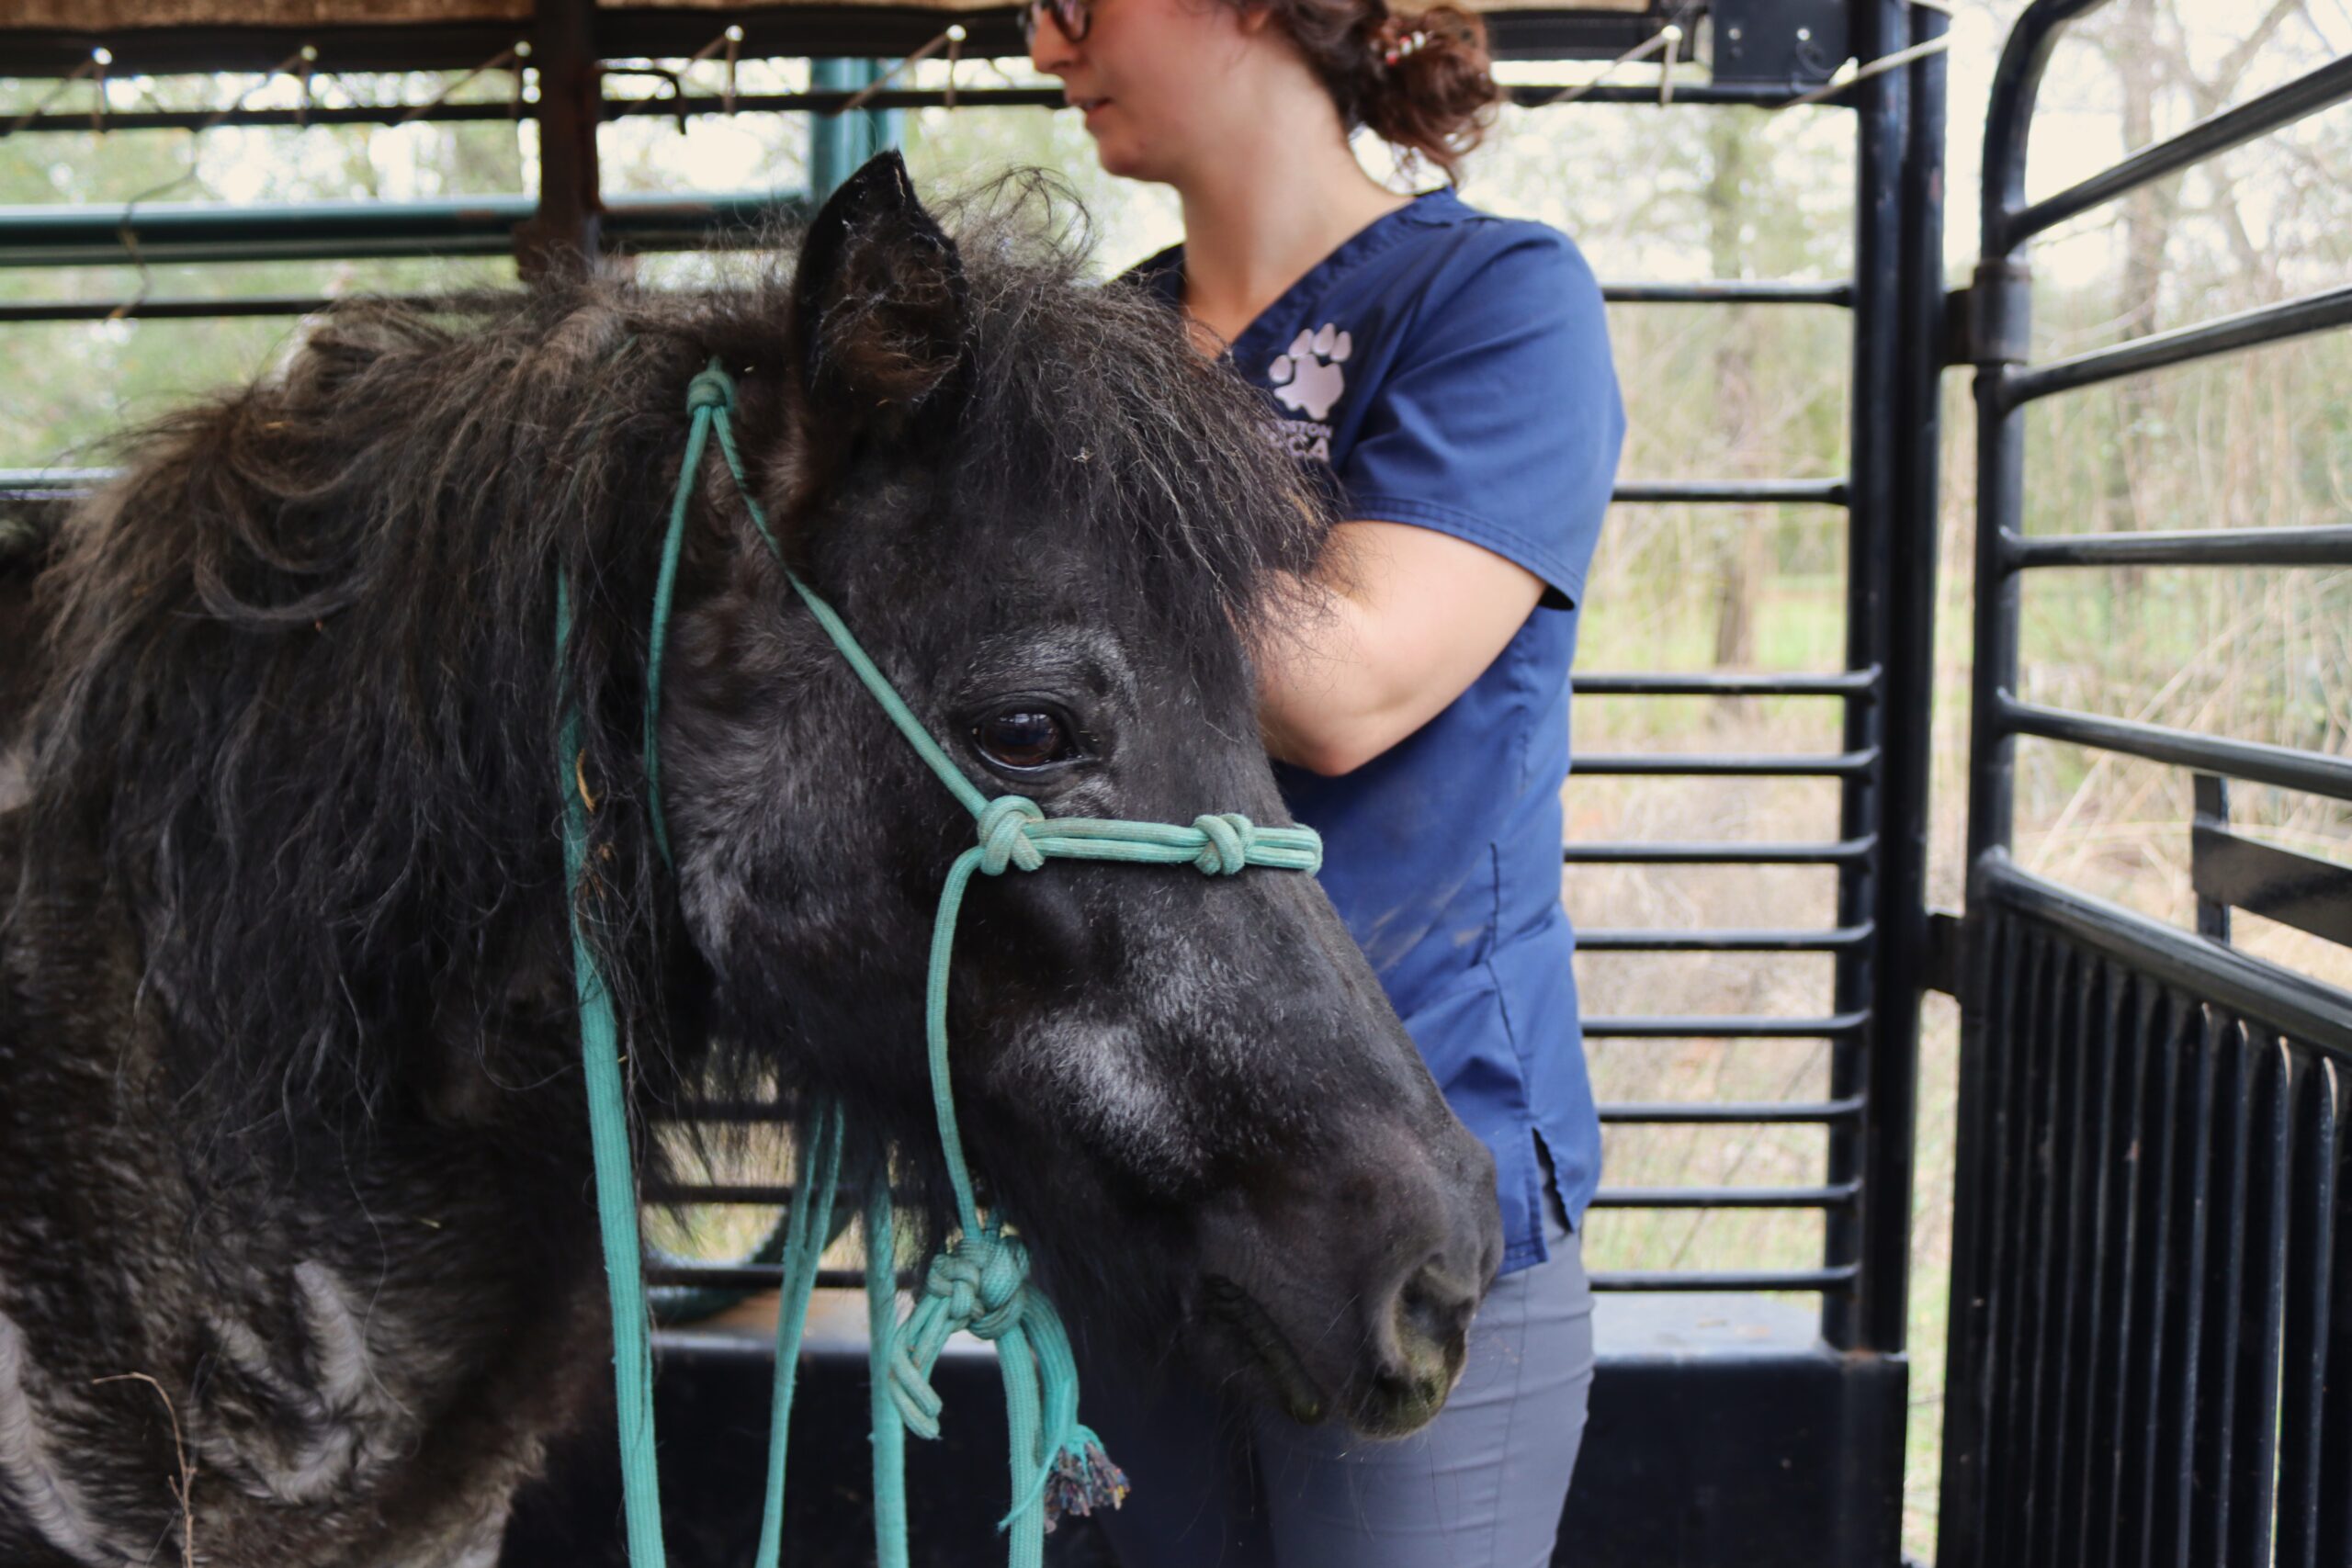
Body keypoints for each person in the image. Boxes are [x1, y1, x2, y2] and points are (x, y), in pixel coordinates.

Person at [1027, 0, 1625, 1562]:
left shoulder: (1496, 300)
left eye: (1076, 1)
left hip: (1401, 1187)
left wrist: (1024, 534)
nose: (1041, 46)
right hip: (1142, 1180)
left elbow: (1346, 682)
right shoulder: (1096, 350)